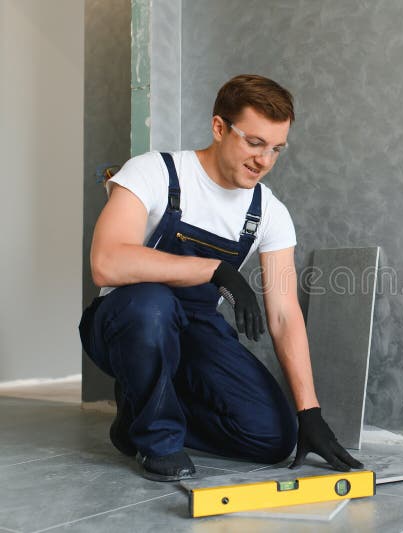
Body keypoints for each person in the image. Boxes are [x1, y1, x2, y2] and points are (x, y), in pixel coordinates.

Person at [78, 74, 362, 481]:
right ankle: (157, 441)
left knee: (272, 437)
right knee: (152, 306)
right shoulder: (155, 172)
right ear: (218, 128)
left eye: (276, 149)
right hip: (127, 321)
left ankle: (138, 419)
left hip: (195, 329)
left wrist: (309, 412)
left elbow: (283, 315)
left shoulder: (269, 213)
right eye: (254, 142)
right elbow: (107, 262)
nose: (264, 160)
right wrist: (213, 268)